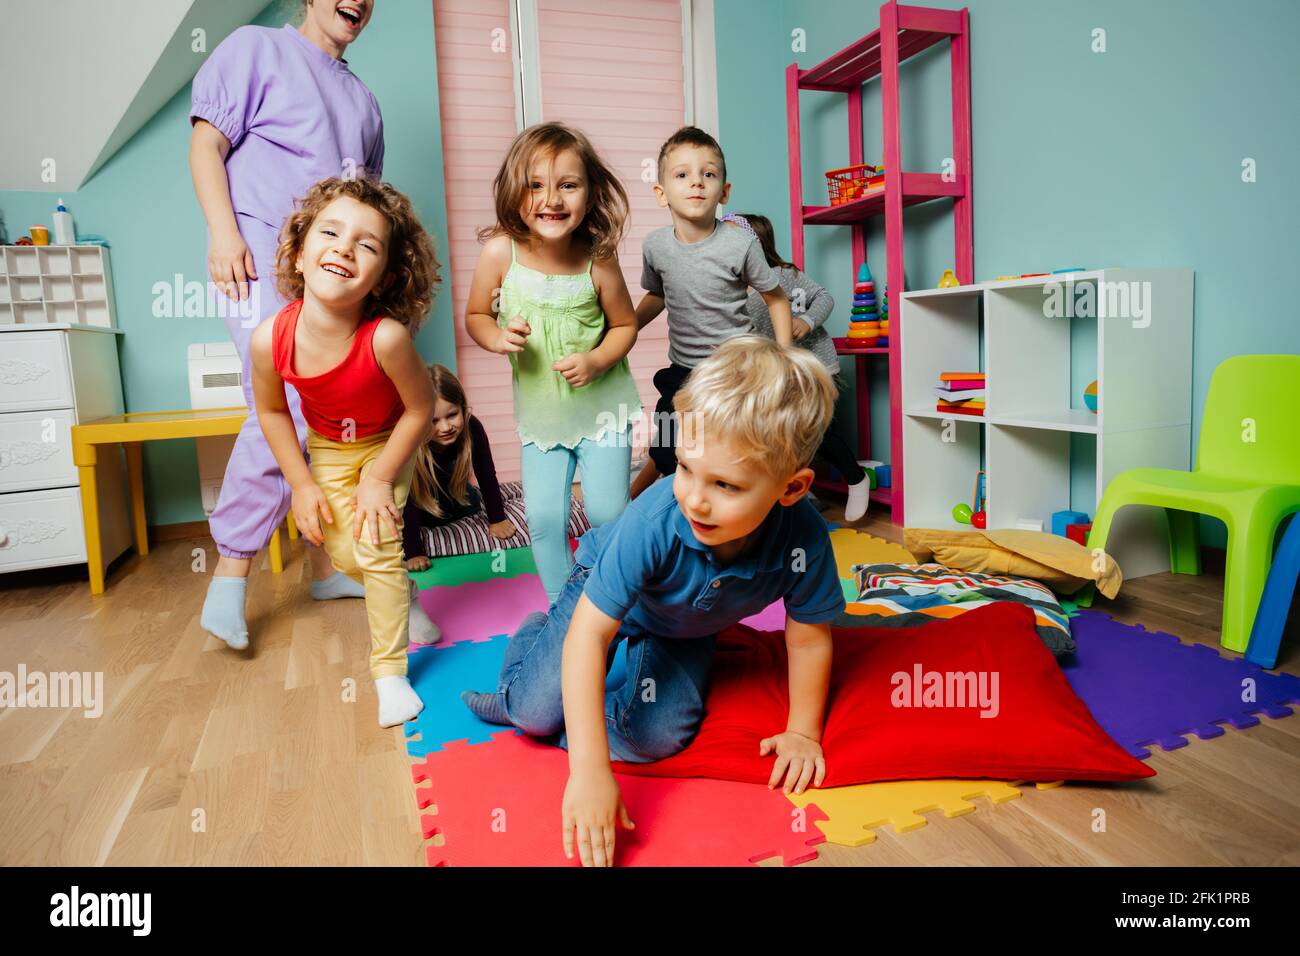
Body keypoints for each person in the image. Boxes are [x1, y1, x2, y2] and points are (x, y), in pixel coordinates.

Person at [463, 336, 845, 866]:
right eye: (686, 468)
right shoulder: (656, 518)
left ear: (792, 488)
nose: (694, 497)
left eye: (726, 485)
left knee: (656, 737)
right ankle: (534, 638)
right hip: (602, 594)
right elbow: (591, 635)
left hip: (681, 626)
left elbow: (807, 637)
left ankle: (581, 699)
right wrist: (590, 772)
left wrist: (803, 732)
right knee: (531, 716)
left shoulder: (804, 538)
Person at [190, 0, 385, 648]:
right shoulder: (254, 50)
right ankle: (231, 572)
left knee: (332, 408)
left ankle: (324, 566)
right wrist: (223, 233)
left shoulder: (364, 102)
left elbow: (365, 208)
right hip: (255, 267)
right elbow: (205, 144)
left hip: (327, 283)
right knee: (288, 403)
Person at [248, 177, 440, 727]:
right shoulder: (270, 340)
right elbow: (272, 412)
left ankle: (389, 673)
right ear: (300, 251)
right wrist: (303, 485)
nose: (344, 247)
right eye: (330, 232)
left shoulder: (386, 339)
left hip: (387, 445)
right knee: (346, 553)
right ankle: (404, 592)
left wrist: (379, 478)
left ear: (384, 278)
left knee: (375, 544)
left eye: (367, 244)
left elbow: (420, 411)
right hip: (329, 447)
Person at [464, 123, 642, 603]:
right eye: (535, 185)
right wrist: (497, 337)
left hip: (603, 412)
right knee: (544, 520)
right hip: (542, 417)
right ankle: (567, 613)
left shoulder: (598, 259)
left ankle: (615, 602)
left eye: (568, 184)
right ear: (513, 191)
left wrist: (597, 360)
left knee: (608, 512)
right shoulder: (500, 252)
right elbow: (476, 315)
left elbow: (625, 325)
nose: (552, 199)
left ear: (590, 192)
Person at [628, 126, 794, 501]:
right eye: (682, 175)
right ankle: (648, 509)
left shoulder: (741, 243)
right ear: (661, 193)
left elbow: (777, 299)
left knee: (731, 450)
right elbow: (658, 294)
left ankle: (746, 513)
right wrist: (627, 327)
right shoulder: (655, 246)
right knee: (669, 446)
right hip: (683, 370)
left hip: (734, 369)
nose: (697, 183)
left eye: (709, 174)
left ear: (725, 191)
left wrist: (784, 356)